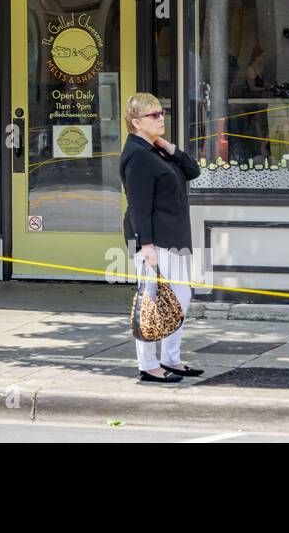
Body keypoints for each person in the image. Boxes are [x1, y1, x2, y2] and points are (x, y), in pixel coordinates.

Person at [119, 91, 202, 383]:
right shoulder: (138, 156)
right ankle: (148, 365)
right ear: (136, 122)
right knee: (150, 301)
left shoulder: (155, 150)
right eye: (154, 115)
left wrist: (168, 145)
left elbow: (193, 171)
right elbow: (138, 204)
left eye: (162, 113)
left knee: (180, 297)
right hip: (155, 240)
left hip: (175, 236)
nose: (161, 118)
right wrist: (146, 245)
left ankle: (171, 358)